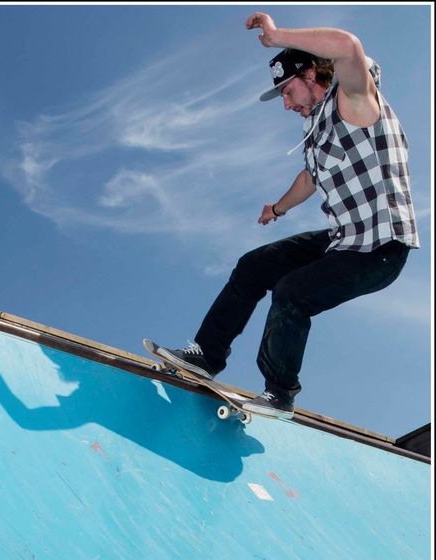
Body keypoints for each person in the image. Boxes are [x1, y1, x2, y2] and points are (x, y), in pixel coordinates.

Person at [155, 11, 419, 419]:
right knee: (253, 266)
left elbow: (348, 46)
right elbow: (309, 178)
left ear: (310, 75)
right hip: (343, 240)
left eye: (287, 91)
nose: (286, 104)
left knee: (292, 293)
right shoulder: (317, 126)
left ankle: (280, 394)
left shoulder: (355, 99)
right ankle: (206, 355)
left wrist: (277, 36)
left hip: (380, 247)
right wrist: (278, 208)